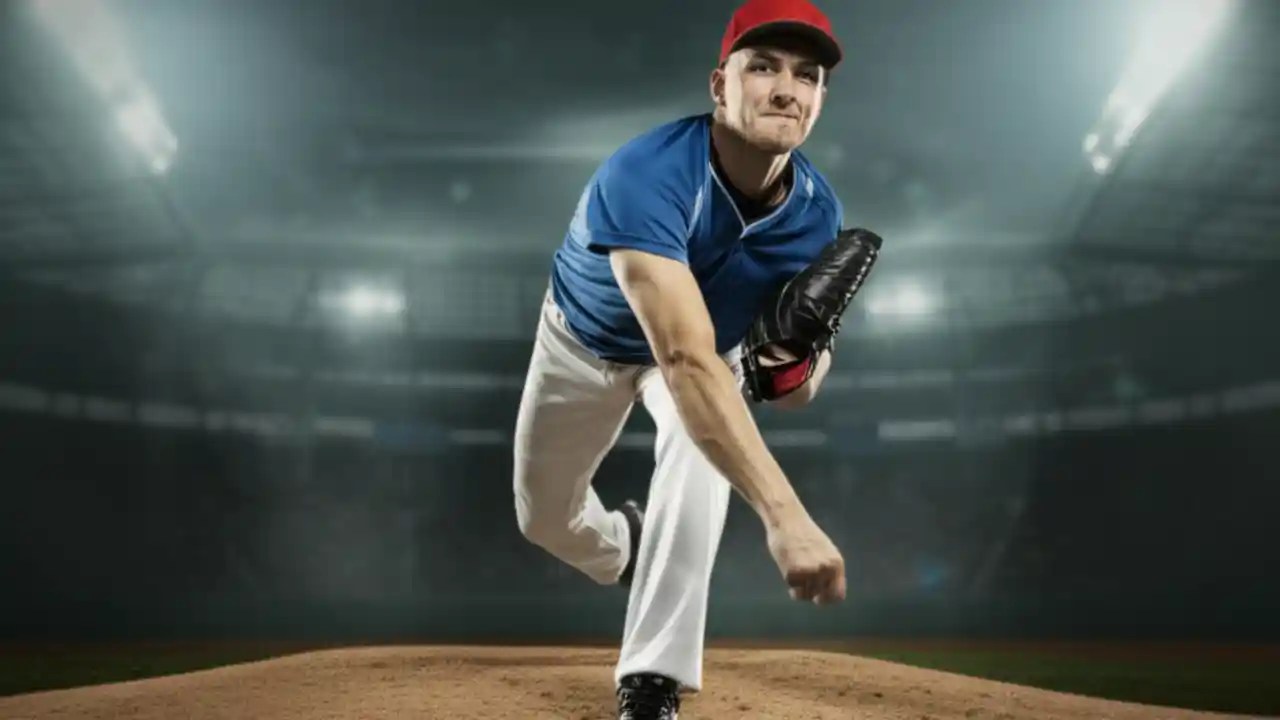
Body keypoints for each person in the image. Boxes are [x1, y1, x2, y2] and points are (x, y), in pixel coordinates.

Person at [512, 0, 848, 717]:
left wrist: (797, 360)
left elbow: (794, 391)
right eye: (762, 67)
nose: (786, 88)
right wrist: (786, 517)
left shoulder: (820, 214)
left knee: (704, 447)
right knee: (542, 517)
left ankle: (652, 680)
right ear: (719, 85)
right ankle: (623, 542)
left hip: (702, 355)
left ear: (820, 99)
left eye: (807, 74)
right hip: (582, 344)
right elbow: (684, 358)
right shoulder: (646, 173)